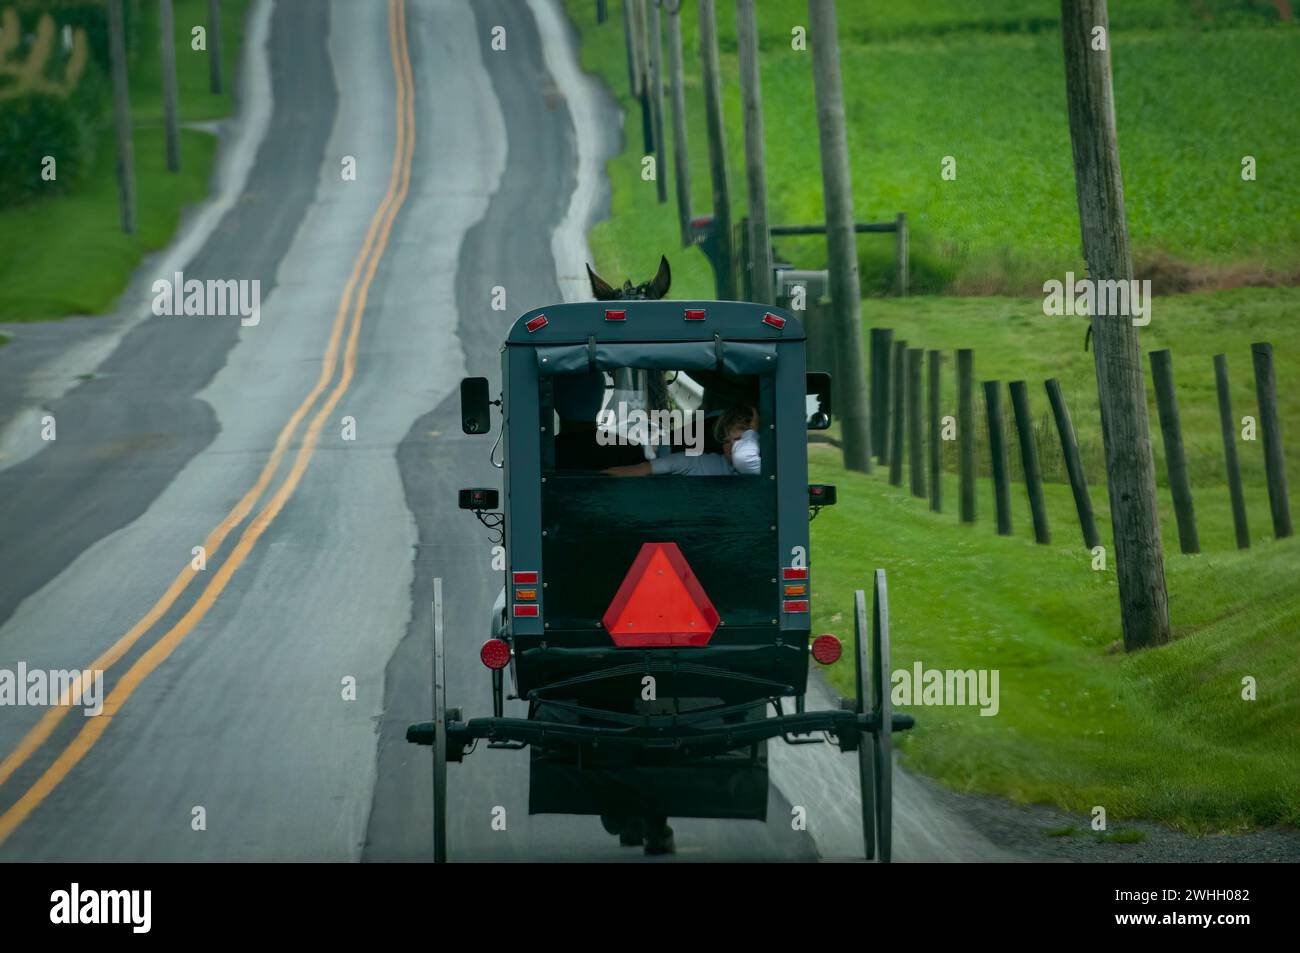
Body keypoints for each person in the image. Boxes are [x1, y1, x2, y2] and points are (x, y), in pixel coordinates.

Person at [603, 406, 760, 477]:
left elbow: (743, 458)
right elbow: (646, 468)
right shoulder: (715, 463)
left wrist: (752, 431)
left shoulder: (771, 465)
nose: (733, 447)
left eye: (739, 439)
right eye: (727, 441)